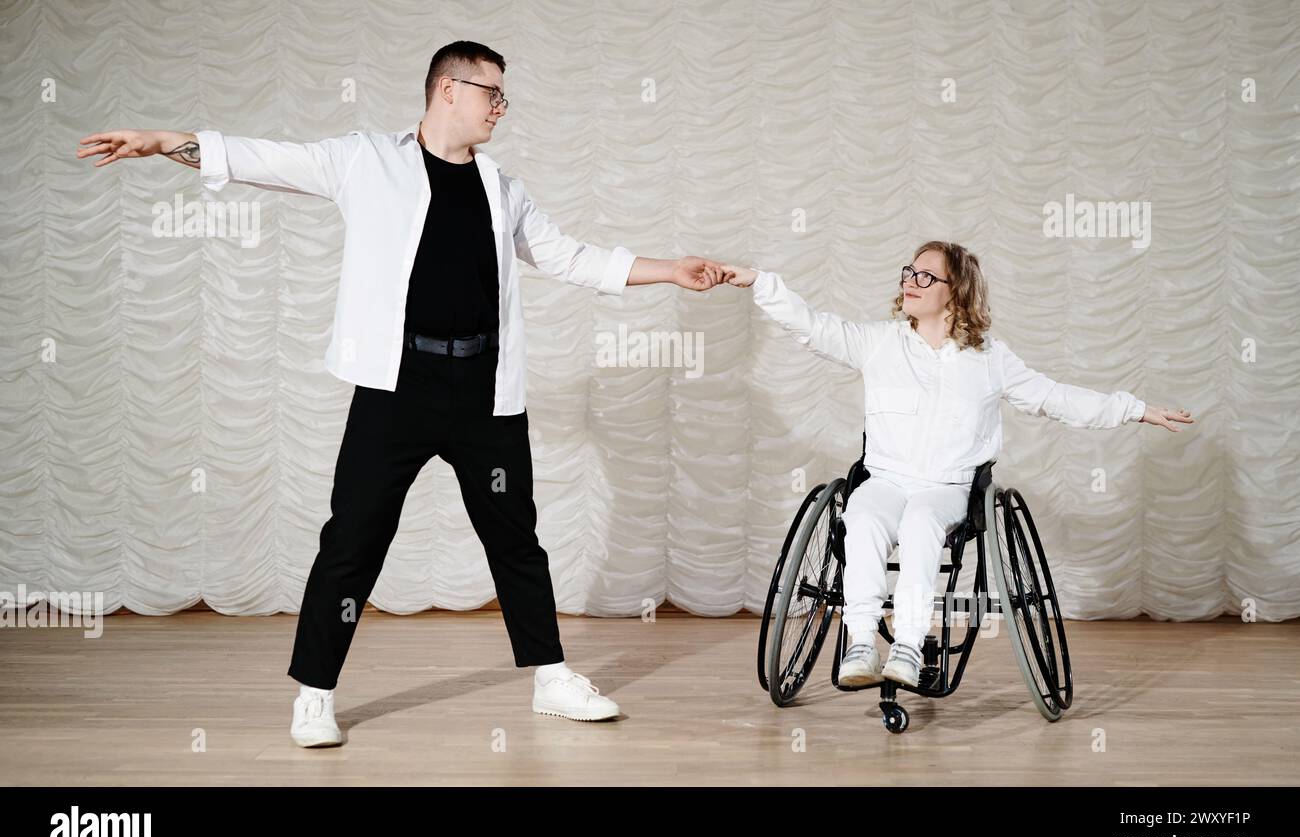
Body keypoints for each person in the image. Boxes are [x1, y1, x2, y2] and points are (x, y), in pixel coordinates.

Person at [78, 40, 731, 747]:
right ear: (449, 89)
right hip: (398, 387)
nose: (501, 109)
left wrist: (670, 270)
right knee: (353, 540)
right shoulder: (367, 161)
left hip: (484, 391)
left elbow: (568, 255)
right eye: (493, 95)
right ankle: (315, 694)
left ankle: (551, 678)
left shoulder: (501, 187)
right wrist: (164, 142)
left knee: (516, 540)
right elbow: (268, 158)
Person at [723, 241, 1194, 688]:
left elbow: (1054, 398)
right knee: (862, 518)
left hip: (945, 487)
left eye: (927, 276)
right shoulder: (879, 343)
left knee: (922, 524)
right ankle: (860, 643)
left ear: (957, 291)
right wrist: (760, 281)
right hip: (886, 479)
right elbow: (810, 325)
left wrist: (1135, 408)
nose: (912, 280)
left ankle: (907, 645)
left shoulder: (990, 359)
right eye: (910, 271)